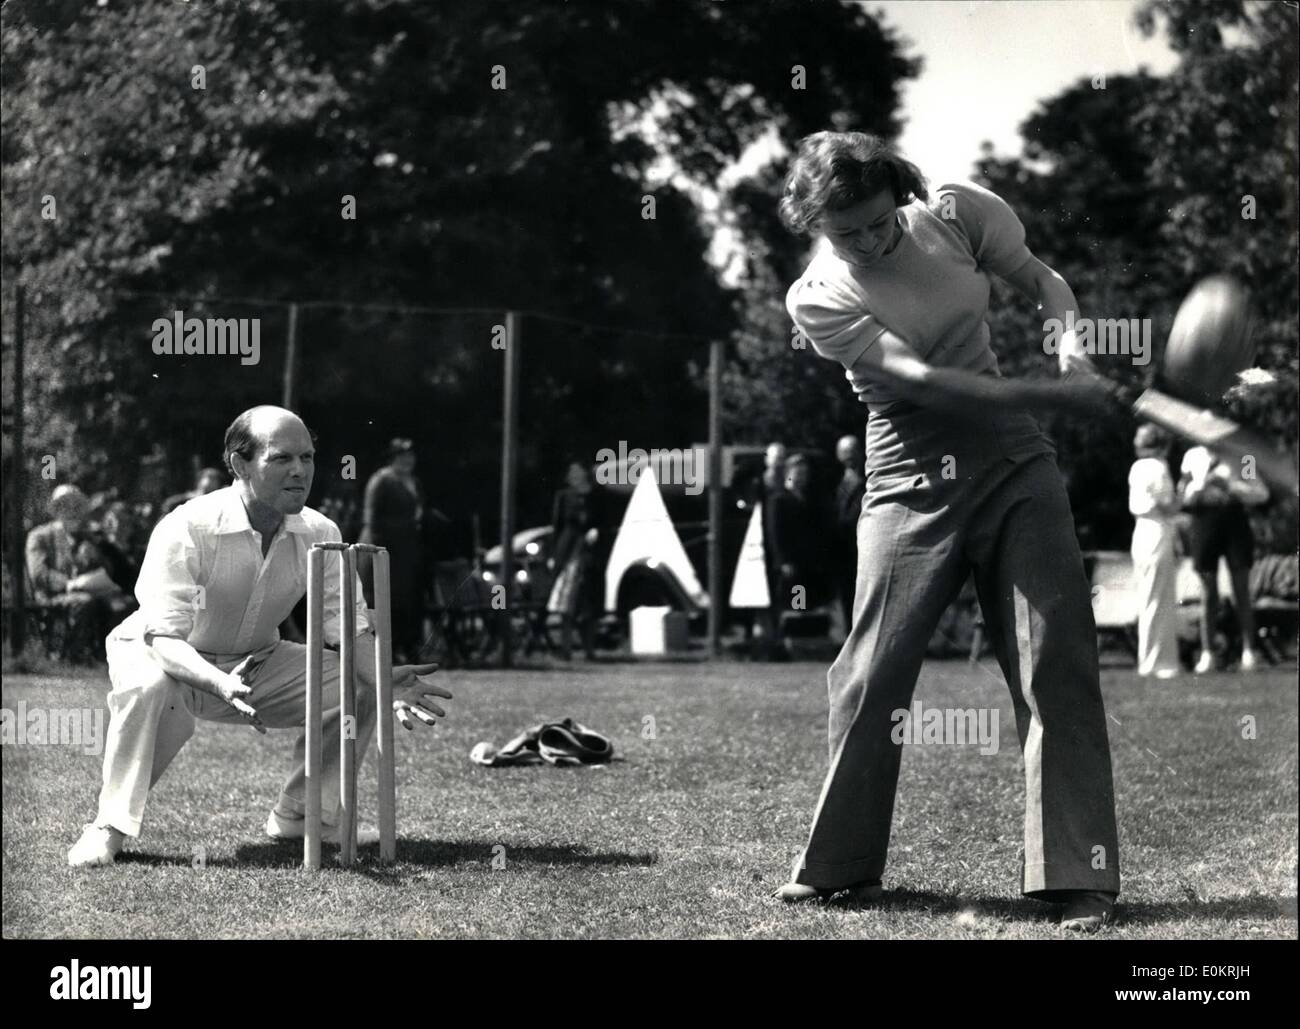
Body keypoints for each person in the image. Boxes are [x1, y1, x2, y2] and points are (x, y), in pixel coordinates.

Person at [775, 131, 1120, 931]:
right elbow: (923, 379)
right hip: (908, 460)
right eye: (845, 231)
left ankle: (1079, 875)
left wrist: (1069, 350)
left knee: (1055, 654)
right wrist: (1053, 397)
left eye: (876, 220)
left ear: (898, 192)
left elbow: (1042, 279)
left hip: (1011, 457)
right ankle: (839, 867)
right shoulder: (817, 294)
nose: (867, 240)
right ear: (815, 224)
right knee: (871, 671)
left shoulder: (957, 212)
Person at [67, 406, 451, 868]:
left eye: (307, 458)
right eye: (282, 458)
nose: (300, 471)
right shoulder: (186, 527)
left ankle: (303, 815)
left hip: (256, 662)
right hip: (162, 655)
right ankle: (108, 826)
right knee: (152, 687)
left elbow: (347, 628)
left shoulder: (321, 532)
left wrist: (383, 679)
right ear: (239, 464)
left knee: (360, 682)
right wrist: (218, 683)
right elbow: (164, 639)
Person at [1179, 444, 1268, 673]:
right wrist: (1200, 487)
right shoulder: (1193, 455)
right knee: (1208, 591)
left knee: (1241, 590)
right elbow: (1183, 493)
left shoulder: (1243, 456)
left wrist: (1230, 486)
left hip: (1234, 522)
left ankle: (1249, 652)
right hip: (1204, 521)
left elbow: (1259, 492)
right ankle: (1207, 653)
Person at [25, 485, 119, 662]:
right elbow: (39, 574)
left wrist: (97, 556)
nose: (72, 512)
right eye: (65, 506)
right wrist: (70, 584)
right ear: (56, 511)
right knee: (84, 602)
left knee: (121, 603)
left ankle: (106, 658)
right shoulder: (39, 536)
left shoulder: (89, 537)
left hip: (90, 592)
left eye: (77, 507)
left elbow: (109, 570)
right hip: (52, 595)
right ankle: (72, 657)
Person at [360, 438, 427, 663]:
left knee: (405, 602)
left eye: (410, 455)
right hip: (382, 549)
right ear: (393, 458)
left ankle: (405, 648)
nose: (407, 460)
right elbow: (372, 520)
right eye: (402, 456)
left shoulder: (413, 482)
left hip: (406, 552)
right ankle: (381, 651)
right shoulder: (382, 480)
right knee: (382, 600)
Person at [1127, 425, 1181, 678]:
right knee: (1158, 596)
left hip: (1141, 531)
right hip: (1156, 530)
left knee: (1148, 596)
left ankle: (1151, 660)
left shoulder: (1137, 468)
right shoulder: (1158, 468)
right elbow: (1168, 505)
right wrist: (1186, 488)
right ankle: (1157, 663)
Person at [546, 461, 610, 660]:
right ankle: (566, 649)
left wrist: (597, 531)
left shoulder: (597, 496)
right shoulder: (564, 497)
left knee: (589, 603)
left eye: (578, 472)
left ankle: (589, 650)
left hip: (589, 554)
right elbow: (557, 526)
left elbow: (605, 523)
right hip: (569, 552)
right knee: (567, 603)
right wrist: (552, 555)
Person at [832, 434, 865, 633]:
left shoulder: (870, 478)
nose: (849, 456)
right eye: (845, 451)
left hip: (864, 546)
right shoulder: (833, 482)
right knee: (846, 595)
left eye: (853, 450)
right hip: (842, 549)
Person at [160, 466, 225, 515]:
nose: (213, 482)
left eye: (215, 479)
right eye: (210, 477)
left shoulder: (218, 499)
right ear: (200, 480)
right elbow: (168, 504)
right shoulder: (186, 499)